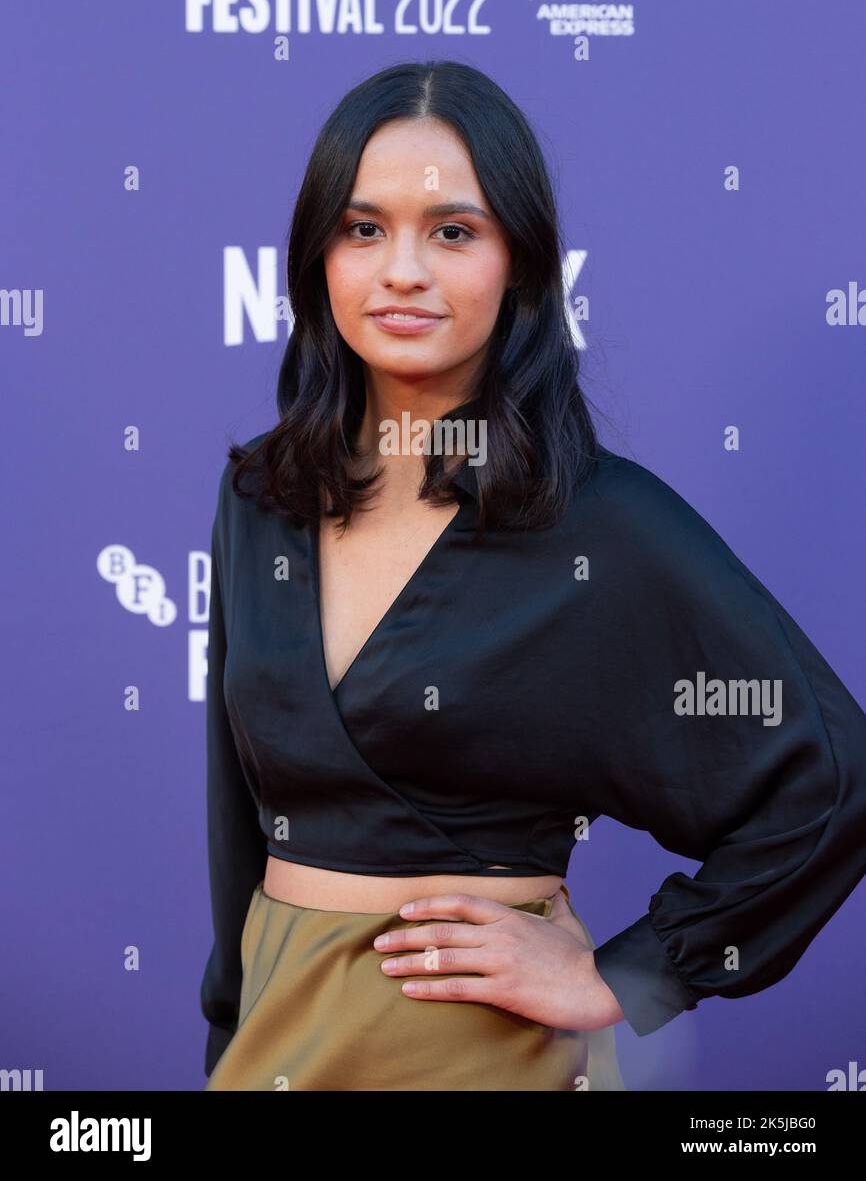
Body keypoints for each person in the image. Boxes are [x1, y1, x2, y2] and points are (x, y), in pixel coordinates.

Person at [201, 59, 866, 1091]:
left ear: (519, 262)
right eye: (362, 227)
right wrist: (229, 1037)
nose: (402, 271)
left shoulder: (601, 522)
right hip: (277, 1038)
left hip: (482, 1052)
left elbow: (832, 778)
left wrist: (632, 975)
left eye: (452, 232)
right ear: (315, 257)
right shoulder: (258, 500)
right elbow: (238, 828)